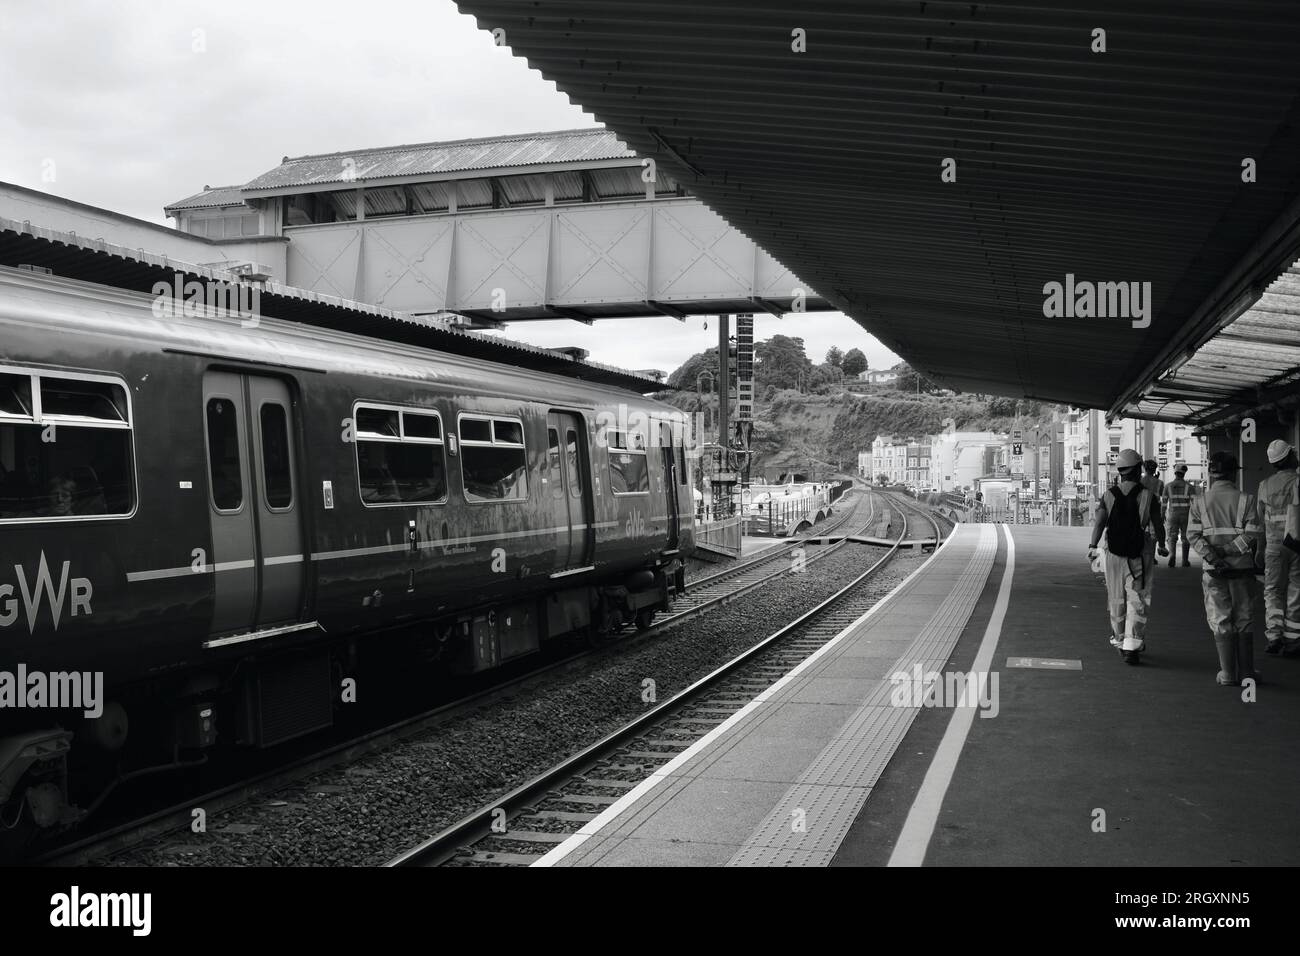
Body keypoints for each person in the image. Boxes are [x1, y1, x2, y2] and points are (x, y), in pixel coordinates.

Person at [1188, 451, 1263, 686]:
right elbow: (1252, 534)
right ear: (1233, 473)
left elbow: (1193, 535)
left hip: (1214, 571)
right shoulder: (1246, 500)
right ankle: (1247, 674)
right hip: (1241, 569)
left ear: (1211, 474)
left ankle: (1228, 674)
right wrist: (1230, 550)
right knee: (1244, 618)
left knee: (1220, 618)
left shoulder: (1199, 501)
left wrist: (1214, 555)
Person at [1088, 448, 1165, 664]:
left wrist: (1092, 546)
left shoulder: (1108, 495)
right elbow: (1158, 524)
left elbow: (1100, 522)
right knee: (1137, 597)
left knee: (1115, 597)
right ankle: (1133, 643)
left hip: (1112, 553)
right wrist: (1162, 545)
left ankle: (1120, 638)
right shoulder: (1148, 496)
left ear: (1120, 471)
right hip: (1138, 554)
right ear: (1138, 469)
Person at [1256, 440, 1300, 656]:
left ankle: (1274, 635)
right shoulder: (1298, 482)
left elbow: (1260, 521)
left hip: (1273, 546)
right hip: (1297, 545)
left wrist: (1258, 550)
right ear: (1288, 458)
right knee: (1295, 590)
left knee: (1273, 590)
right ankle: (1292, 640)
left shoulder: (1264, 485)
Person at [1163, 463, 1194, 567]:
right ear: (1184, 473)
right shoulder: (1189, 487)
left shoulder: (1168, 486)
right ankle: (1185, 561)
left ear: (1175, 473)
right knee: (1185, 537)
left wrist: (1162, 514)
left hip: (1172, 514)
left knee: (1172, 536)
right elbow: (1194, 503)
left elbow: (1163, 502)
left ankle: (1172, 556)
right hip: (1186, 514)